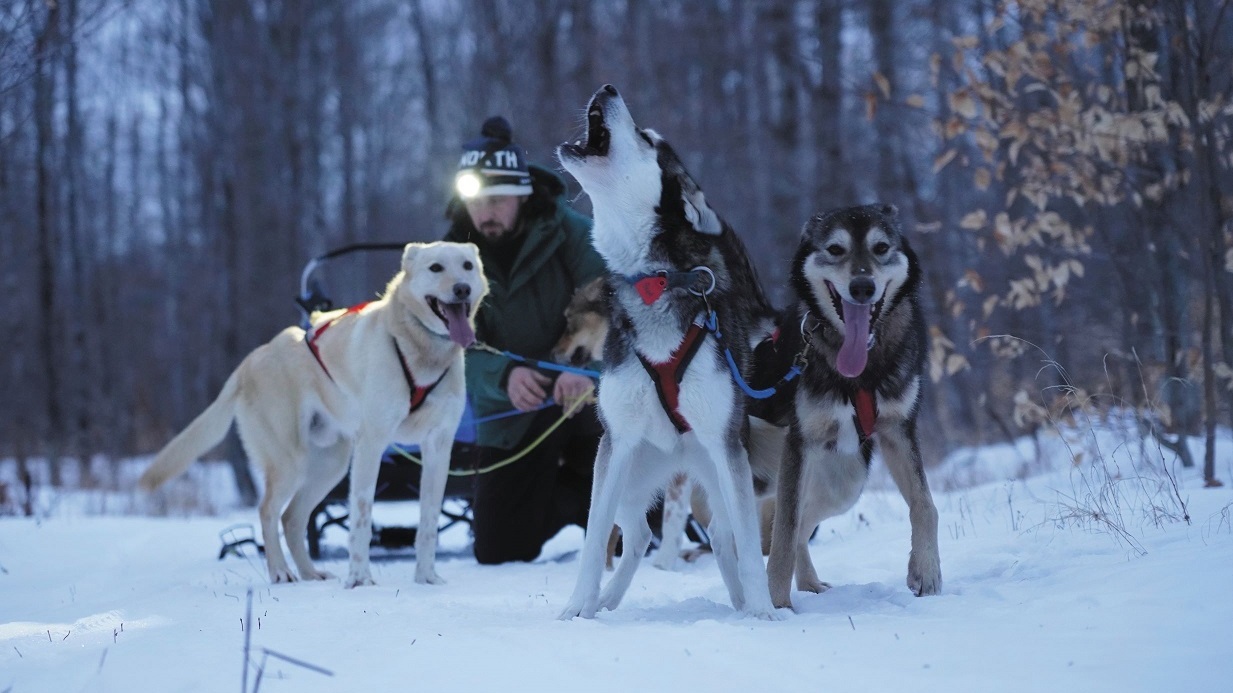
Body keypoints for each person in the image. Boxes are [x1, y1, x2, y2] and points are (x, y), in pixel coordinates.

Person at [443, 116, 607, 564]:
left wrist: (583, 370)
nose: (486, 212)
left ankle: (608, 504)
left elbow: (610, 306)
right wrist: (504, 376)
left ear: (522, 193)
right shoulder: (451, 254)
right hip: (511, 407)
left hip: (583, 396)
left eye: (497, 198)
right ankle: (576, 501)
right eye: (477, 201)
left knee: (633, 519)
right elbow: (455, 349)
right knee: (499, 550)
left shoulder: (570, 231)